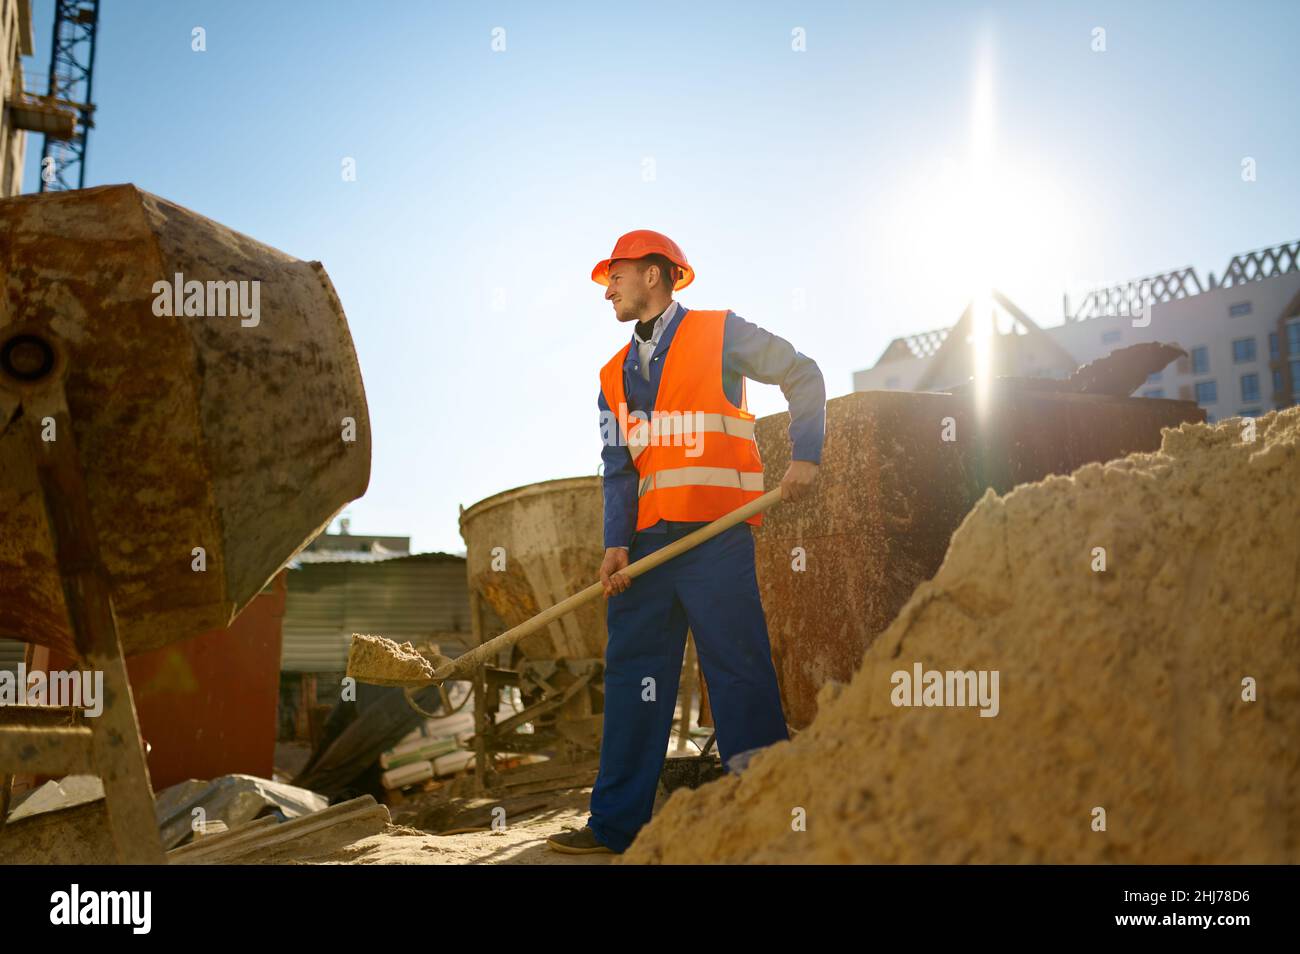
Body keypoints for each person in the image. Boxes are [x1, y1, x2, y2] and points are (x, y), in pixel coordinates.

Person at [546, 229, 826, 855]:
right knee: (632, 681)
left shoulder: (720, 333)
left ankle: (767, 816)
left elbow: (802, 374)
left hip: (716, 538)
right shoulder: (610, 376)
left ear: (654, 274)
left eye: (615, 274)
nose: (607, 288)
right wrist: (615, 543)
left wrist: (807, 454)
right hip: (646, 550)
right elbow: (617, 466)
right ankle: (615, 827)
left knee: (738, 670)